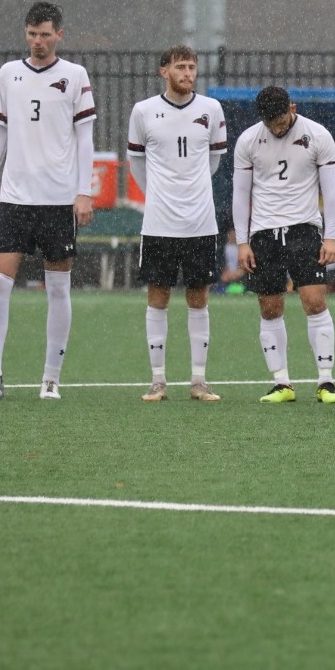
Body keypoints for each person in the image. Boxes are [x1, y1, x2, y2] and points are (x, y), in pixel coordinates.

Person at [0, 2, 96, 401]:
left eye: (45, 34)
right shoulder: (10, 73)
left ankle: (50, 379)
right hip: (16, 199)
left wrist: (83, 191)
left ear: (59, 34)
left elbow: (85, 137)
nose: (38, 42)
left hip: (58, 201)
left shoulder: (75, 76)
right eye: (32, 34)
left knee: (57, 289)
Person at [126, 44, 228, 402]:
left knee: (199, 299)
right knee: (158, 299)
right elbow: (136, 163)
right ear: (163, 71)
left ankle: (199, 381)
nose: (187, 73)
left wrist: (191, 190)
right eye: (180, 67)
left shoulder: (211, 109)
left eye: (191, 67)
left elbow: (214, 159)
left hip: (201, 223)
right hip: (159, 224)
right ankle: (158, 381)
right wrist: (161, 193)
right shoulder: (144, 112)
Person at [232, 86, 335, 403]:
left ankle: (326, 382)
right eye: (271, 124)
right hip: (264, 234)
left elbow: (331, 192)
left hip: (304, 229)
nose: (277, 128)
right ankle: (282, 383)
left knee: (314, 300)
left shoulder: (318, 135)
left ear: (291, 108)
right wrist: (243, 242)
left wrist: (330, 236)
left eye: (281, 121)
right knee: (270, 307)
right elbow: (240, 194)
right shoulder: (248, 141)